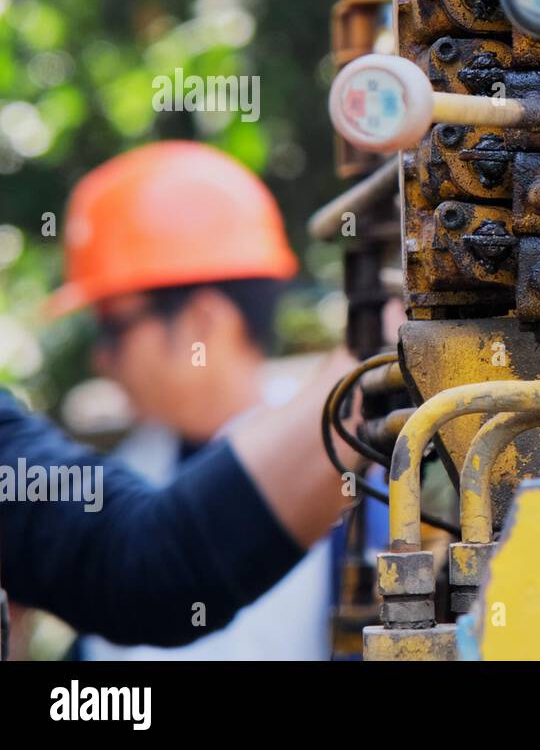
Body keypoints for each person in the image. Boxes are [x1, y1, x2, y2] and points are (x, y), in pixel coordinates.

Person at [0, 142, 356, 654]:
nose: (102, 359)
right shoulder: (118, 490)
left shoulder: (350, 479)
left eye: (113, 329)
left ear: (201, 322)